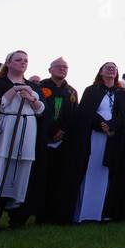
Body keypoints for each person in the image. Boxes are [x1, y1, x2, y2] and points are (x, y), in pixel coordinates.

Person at [63, 62, 125, 224]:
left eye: (114, 67)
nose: (111, 68)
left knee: (107, 174)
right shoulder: (92, 91)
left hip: (113, 139)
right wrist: (100, 123)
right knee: (91, 170)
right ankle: (85, 213)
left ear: (117, 73)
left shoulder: (123, 93)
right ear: (101, 72)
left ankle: (103, 212)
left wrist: (111, 125)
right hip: (94, 137)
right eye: (107, 67)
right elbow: (85, 112)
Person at [0, 51, 46, 229]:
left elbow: (42, 110)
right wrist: (14, 90)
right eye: (18, 60)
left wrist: (32, 98)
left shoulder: (32, 86)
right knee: (1, 166)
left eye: (26, 60)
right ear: (9, 63)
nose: (23, 63)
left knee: (21, 168)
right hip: (6, 129)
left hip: (26, 130)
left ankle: (16, 214)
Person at [36, 57, 79, 225]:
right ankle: (40, 214)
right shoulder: (41, 87)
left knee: (59, 177)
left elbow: (74, 115)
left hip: (63, 140)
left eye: (65, 67)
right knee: (42, 176)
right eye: (58, 67)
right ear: (50, 69)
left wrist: (63, 131)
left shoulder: (72, 92)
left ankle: (56, 214)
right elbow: (41, 111)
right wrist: (51, 130)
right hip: (43, 137)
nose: (62, 69)